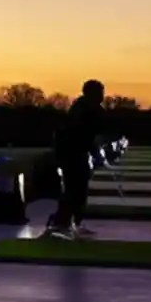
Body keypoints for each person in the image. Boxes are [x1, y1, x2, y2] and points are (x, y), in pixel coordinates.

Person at [45, 79, 106, 240]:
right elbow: (79, 134)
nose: (102, 96)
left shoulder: (93, 109)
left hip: (78, 153)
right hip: (70, 153)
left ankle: (74, 223)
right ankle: (60, 223)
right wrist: (94, 149)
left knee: (80, 191)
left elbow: (92, 134)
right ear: (90, 94)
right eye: (99, 93)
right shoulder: (81, 109)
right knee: (73, 190)